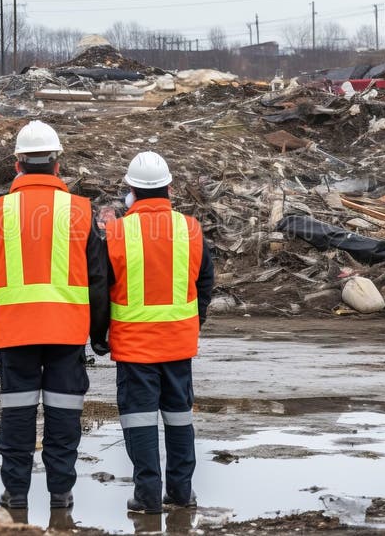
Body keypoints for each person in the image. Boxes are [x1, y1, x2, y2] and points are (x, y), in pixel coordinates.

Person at [0, 120, 109, 511]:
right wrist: (99, 334)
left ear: (17, 163)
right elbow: (98, 281)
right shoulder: (82, 211)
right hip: (67, 332)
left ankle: (16, 492)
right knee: (64, 412)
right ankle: (60, 492)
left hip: (14, 332)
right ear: (57, 164)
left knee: (17, 413)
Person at [92, 151, 214, 514]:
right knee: (179, 418)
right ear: (169, 189)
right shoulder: (189, 228)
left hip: (134, 348)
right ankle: (181, 493)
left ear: (131, 190)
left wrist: (99, 335)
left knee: (140, 420)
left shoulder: (115, 232)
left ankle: (147, 497)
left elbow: (100, 289)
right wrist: (195, 321)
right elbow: (205, 282)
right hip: (178, 344)